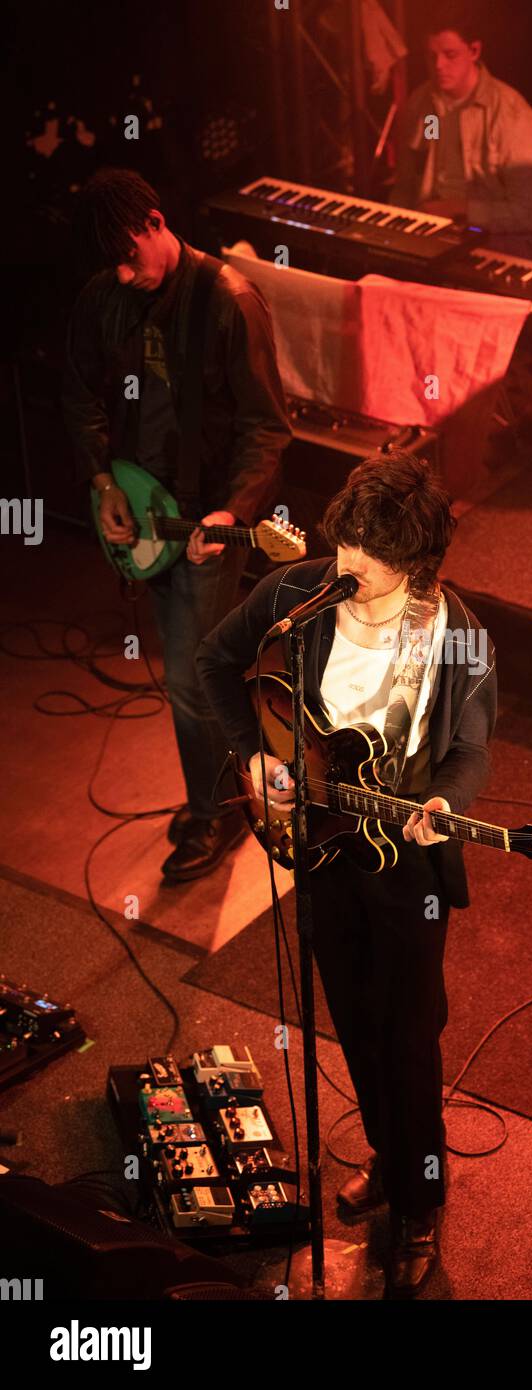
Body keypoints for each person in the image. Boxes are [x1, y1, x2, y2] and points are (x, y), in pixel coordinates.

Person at [195, 450, 497, 1296]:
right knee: (355, 1022)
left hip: (408, 866)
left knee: (410, 1033)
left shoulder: (457, 630)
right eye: (348, 540)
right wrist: (253, 757)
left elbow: (472, 750)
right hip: (322, 847)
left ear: (416, 560)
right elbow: (214, 661)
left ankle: (422, 1196)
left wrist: (441, 800)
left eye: (372, 551)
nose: (351, 562)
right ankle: (389, 1156)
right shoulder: (302, 595)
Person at [63, 168, 293, 882]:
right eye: (114, 263)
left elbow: (266, 426)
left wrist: (232, 512)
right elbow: (78, 390)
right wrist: (104, 482)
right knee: (186, 674)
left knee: (197, 677)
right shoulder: (107, 295)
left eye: (131, 254)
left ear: (157, 222)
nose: (126, 272)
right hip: (141, 508)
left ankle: (222, 808)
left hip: (208, 520)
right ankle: (217, 793)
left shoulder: (228, 299)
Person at [391, 1, 532, 259]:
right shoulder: (418, 103)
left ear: (474, 51)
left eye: (450, 55)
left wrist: (459, 209)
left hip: (495, 249)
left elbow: (529, 213)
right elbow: (404, 187)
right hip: (429, 242)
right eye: (431, 56)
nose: (438, 65)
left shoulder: (511, 112)